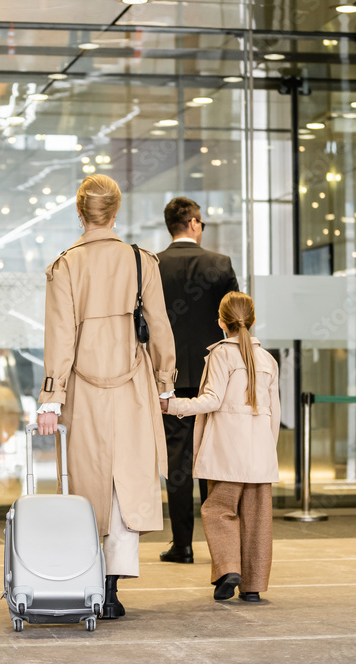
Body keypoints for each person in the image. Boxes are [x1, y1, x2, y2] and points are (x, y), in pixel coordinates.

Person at [37, 174, 177, 619]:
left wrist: (50, 396)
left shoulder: (65, 266)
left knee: (87, 479)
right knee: (126, 480)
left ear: (80, 214)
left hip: (83, 387)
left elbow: (60, 335)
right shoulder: (141, 261)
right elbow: (159, 327)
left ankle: (90, 578)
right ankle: (114, 585)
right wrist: (165, 380)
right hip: (133, 385)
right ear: (115, 213)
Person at [162, 291, 279, 603]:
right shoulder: (268, 359)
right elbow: (275, 415)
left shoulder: (221, 355)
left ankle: (228, 569)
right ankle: (252, 587)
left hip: (228, 451)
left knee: (218, 509)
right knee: (257, 519)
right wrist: (269, 453)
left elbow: (211, 400)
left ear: (220, 322)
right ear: (252, 321)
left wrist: (171, 405)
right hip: (260, 453)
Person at [157, 197, 238, 564]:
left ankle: (182, 544)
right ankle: (217, 544)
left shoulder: (153, 265)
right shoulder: (220, 265)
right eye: (201, 222)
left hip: (168, 376)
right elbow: (237, 319)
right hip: (213, 375)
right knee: (212, 456)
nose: (201, 227)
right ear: (192, 223)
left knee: (178, 460)